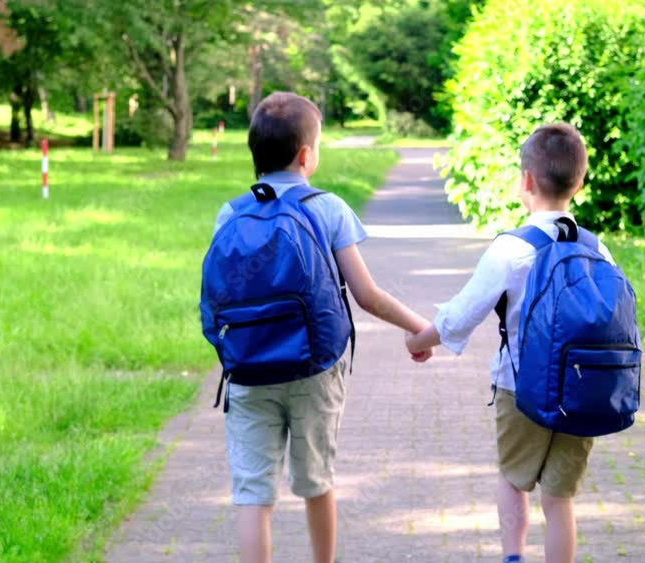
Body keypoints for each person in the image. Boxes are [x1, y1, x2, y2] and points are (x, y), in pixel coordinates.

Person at [213, 91, 432, 563]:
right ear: (306, 155)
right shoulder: (326, 208)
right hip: (314, 365)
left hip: (248, 366)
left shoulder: (230, 214)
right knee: (316, 480)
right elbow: (366, 294)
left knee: (252, 491)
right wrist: (419, 328)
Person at [405, 124, 616, 563]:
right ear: (579, 183)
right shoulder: (599, 249)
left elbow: (462, 314)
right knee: (559, 500)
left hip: (521, 388)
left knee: (512, 479)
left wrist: (418, 340)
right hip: (583, 390)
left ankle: (513, 556)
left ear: (526, 181)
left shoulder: (512, 248)